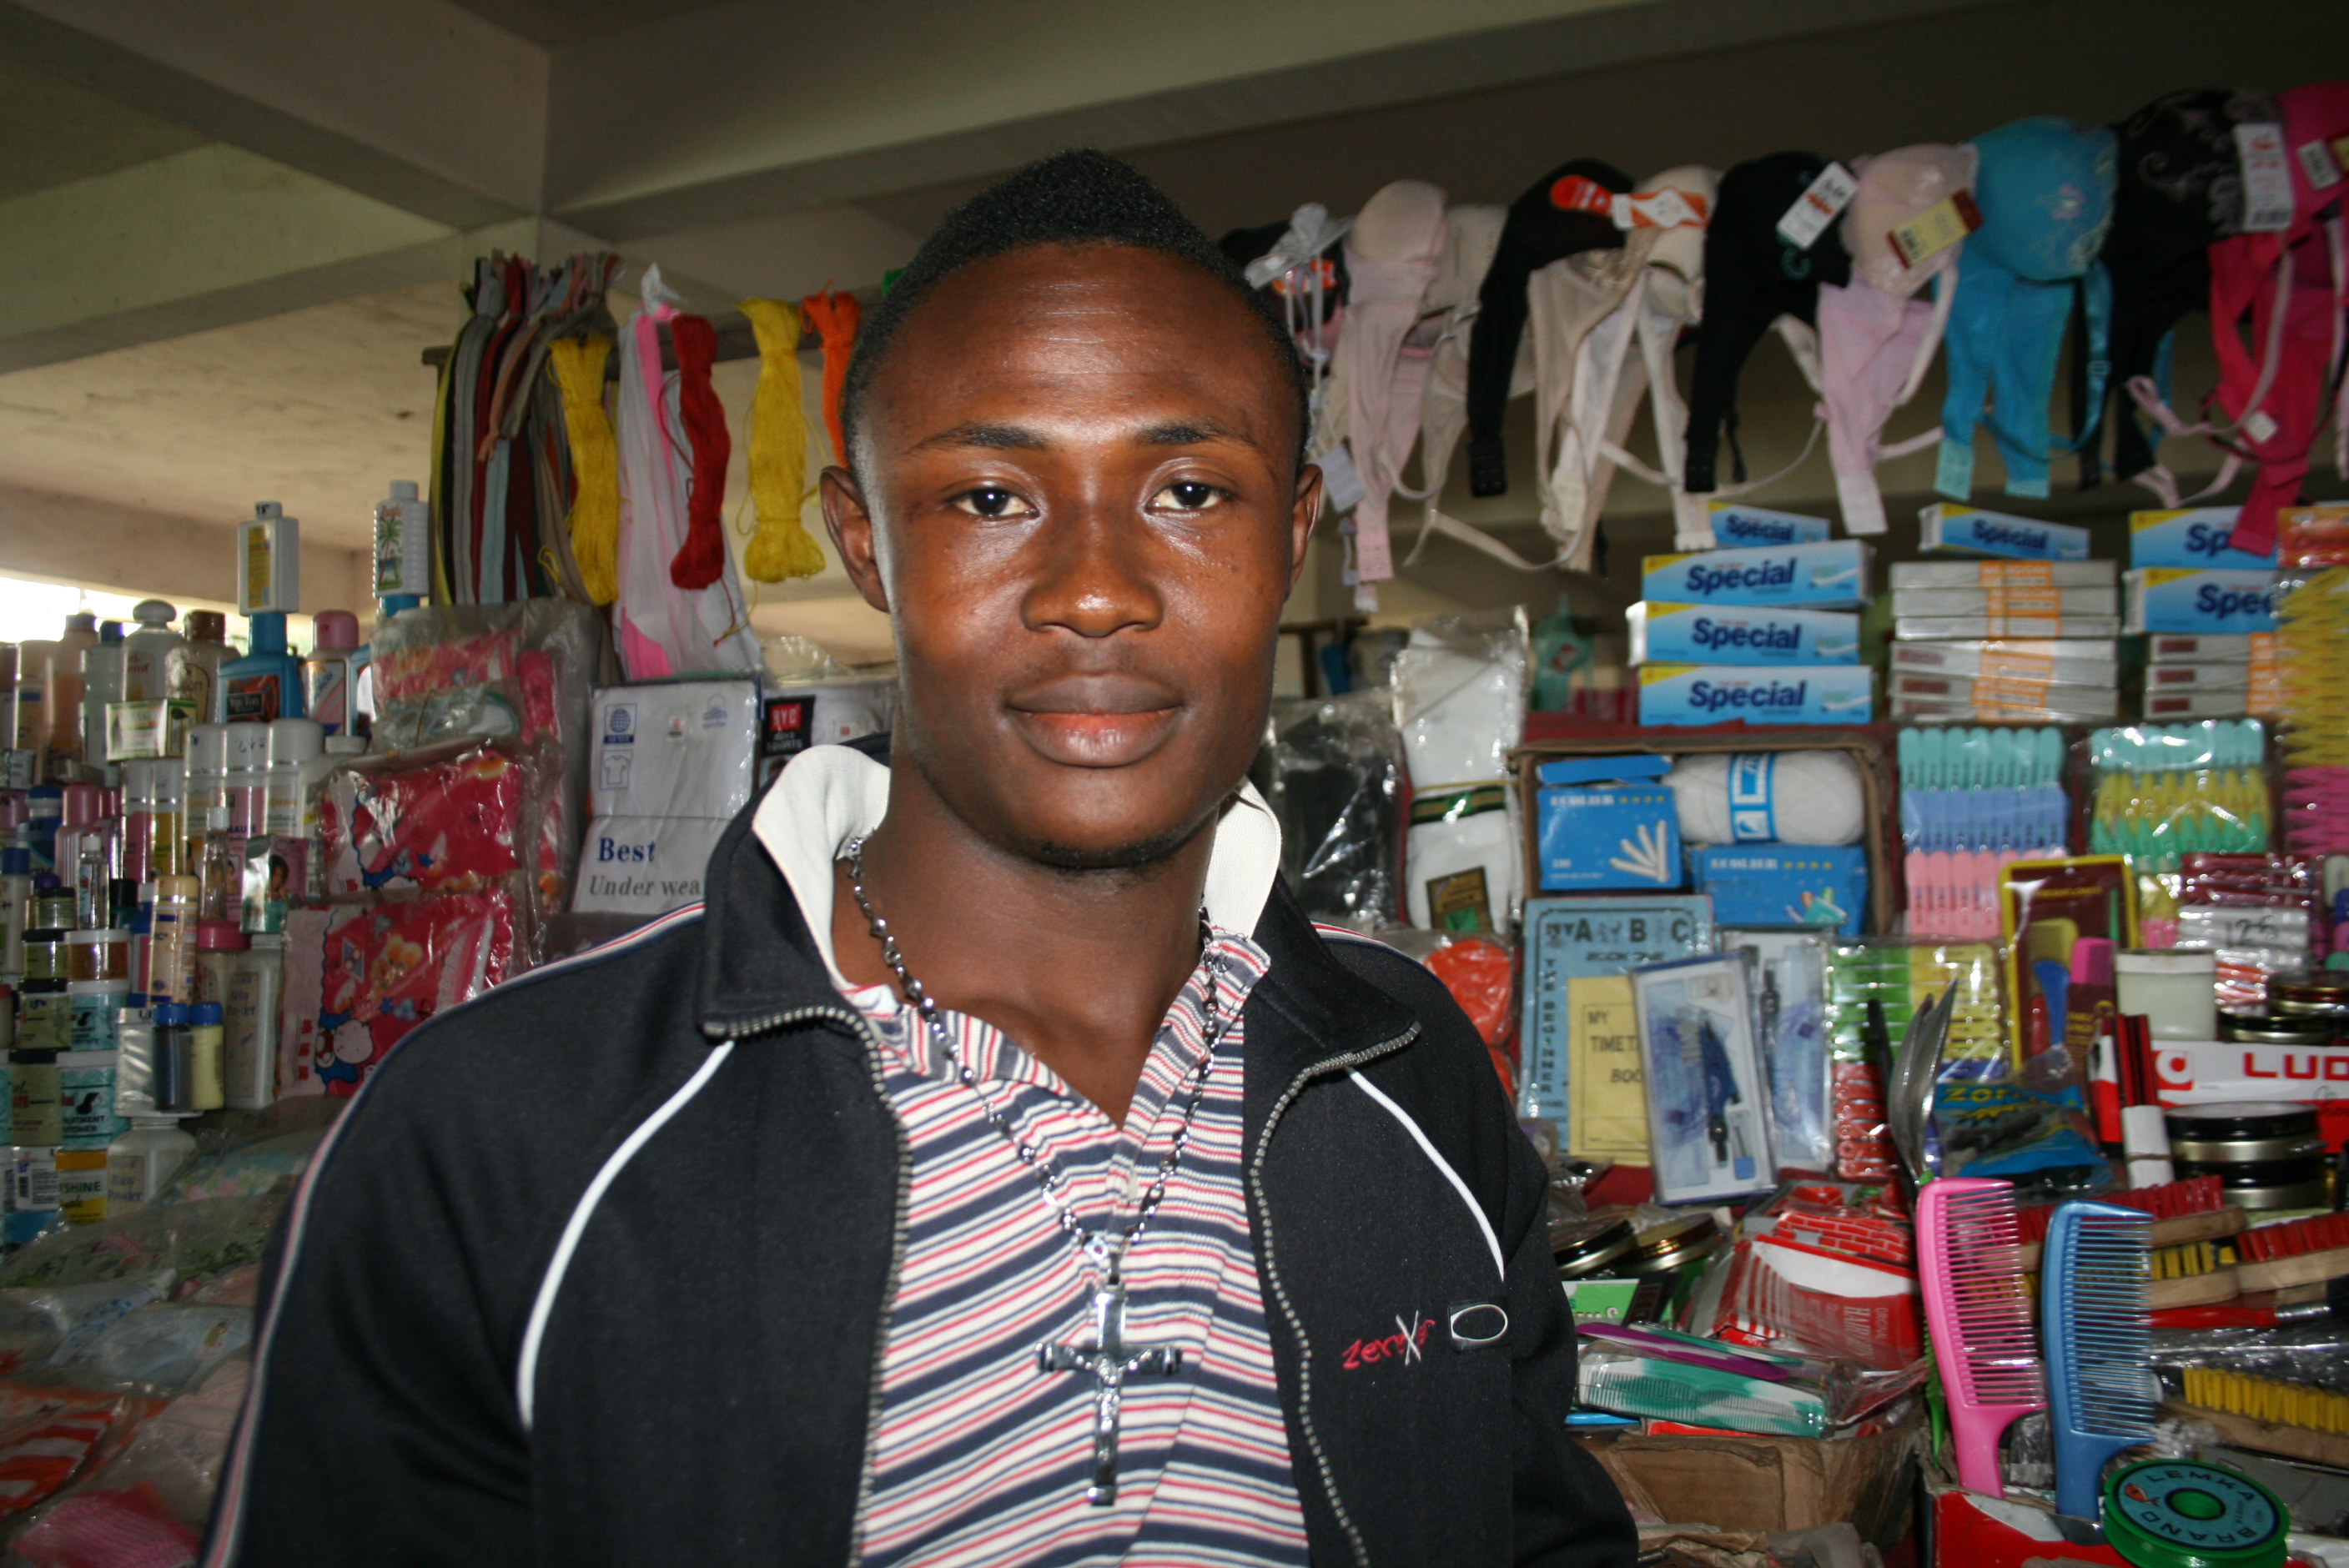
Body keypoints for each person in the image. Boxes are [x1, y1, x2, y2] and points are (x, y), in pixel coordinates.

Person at [204, 149, 1637, 1568]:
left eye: (1192, 492)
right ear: (866, 545)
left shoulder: (1407, 1066)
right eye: (990, 498)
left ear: (1295, 538)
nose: (1095, 590)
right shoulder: (496, 1134)